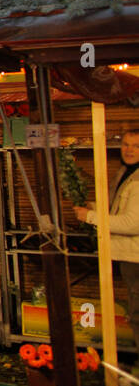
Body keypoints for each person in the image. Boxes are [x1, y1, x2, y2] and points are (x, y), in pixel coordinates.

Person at [75, 128, 139, 353]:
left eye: (136, 146)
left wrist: (92, 217)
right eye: (126, 145)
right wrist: (93, 207)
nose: (129, 150)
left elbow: (133, 222)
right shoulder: (127, 173)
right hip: (129, 256)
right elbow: (119, 209)